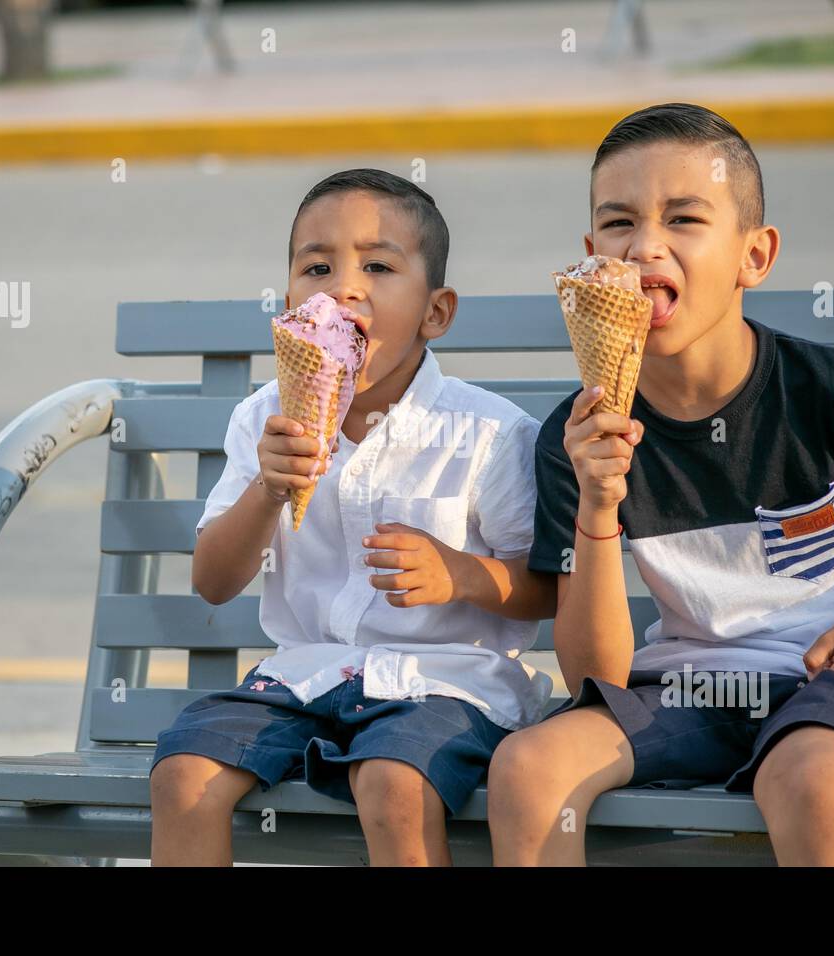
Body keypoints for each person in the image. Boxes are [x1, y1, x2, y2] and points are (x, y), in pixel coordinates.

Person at [487, 103, 834, 866]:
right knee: (526, 768)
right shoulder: (581, 434)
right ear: (592, 259)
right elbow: (596, 676)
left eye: (684, 219)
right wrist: (598, 505)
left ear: (754, 256)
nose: (645, 245)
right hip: (688, 694)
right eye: (619, 224)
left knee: (813, 778)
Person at [150, 168, 557, 866]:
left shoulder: (487, 433)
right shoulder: (263, 420)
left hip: (444, 686)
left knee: (393, 782)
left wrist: (462, 573)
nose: (343, 286)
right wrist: (267, 492)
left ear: (436, 313)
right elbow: (214, 581)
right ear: (287, 308)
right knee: (182, 775)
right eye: (317, 266)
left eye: (377, 265)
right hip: (301, 680)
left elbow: (544, 589)